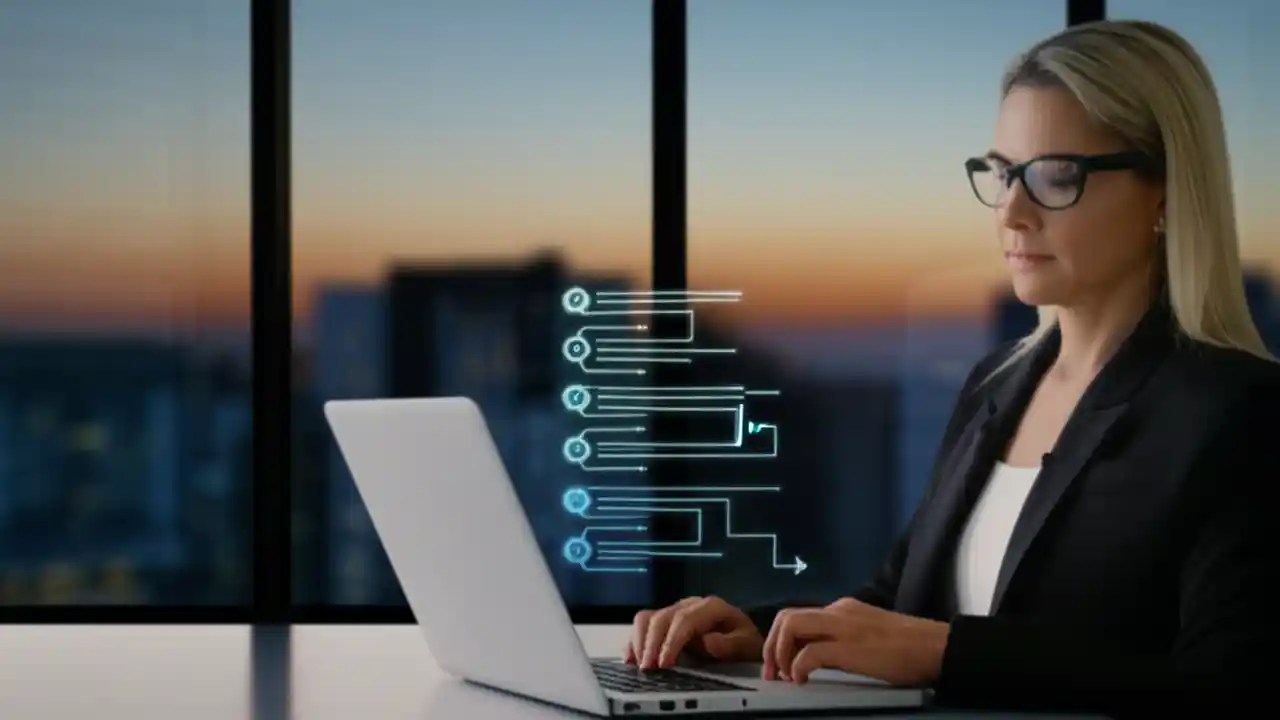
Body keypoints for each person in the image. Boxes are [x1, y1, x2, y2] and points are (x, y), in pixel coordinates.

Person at [622, 19, 1279, 716]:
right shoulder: (997, 383)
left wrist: (948, 654)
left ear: (1166, 190)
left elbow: (1228, 688)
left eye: (1057, 176)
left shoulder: (1242, 413)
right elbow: (898, 607)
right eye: (1003, 173)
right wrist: (756, 633)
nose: (1012, 212)